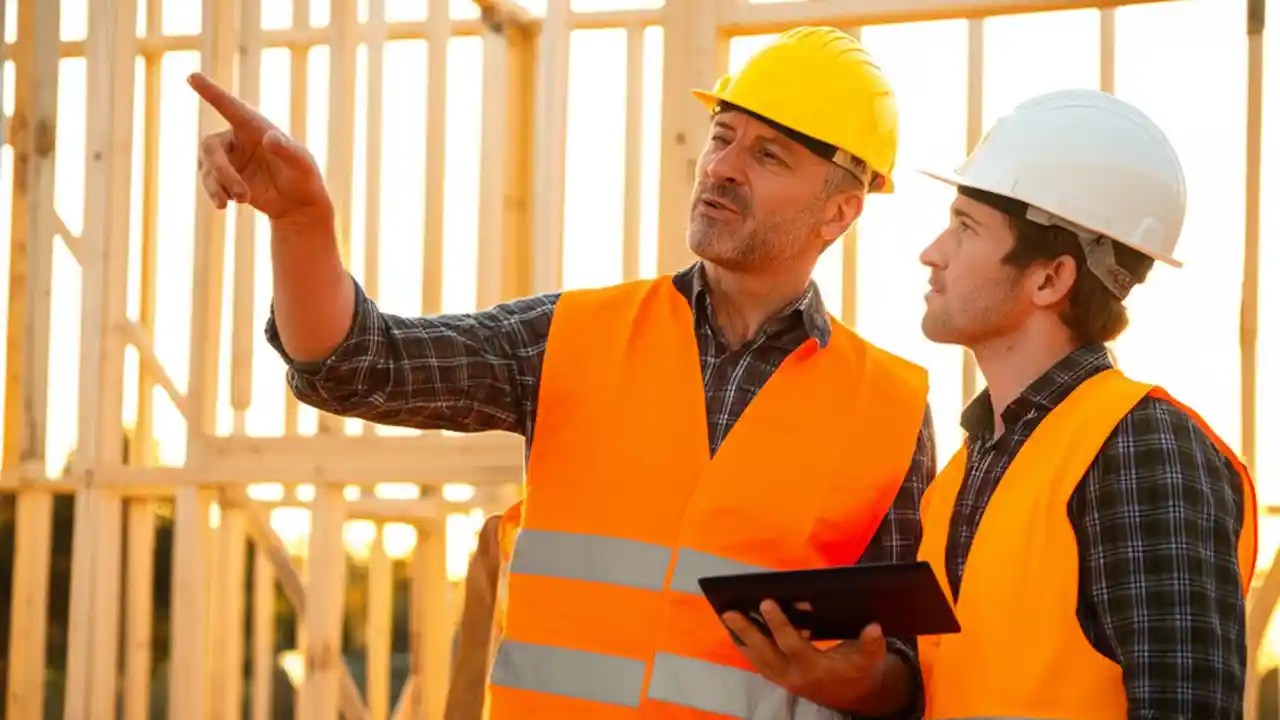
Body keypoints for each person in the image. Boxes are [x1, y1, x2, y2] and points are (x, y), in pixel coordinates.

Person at [190, 26, 936, 720]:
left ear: (840, 212)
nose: (723, 168)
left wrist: (860, 681)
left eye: (768, 155)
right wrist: (300, 225)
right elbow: (357, 364)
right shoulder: (573, 336)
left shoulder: (891, 407)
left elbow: (908, 664)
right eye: (722, 137)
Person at [912, 88, 1258, 718]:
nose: (933, 252)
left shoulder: (1143, 448)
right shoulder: (969, 466)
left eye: (965, 228)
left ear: (1050, 278)